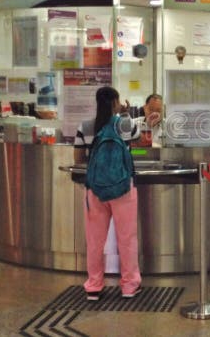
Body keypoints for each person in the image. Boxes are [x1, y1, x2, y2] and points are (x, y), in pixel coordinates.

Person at [74, 86, 142, 301]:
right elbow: (137, 145)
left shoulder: (84, 127)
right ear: (115, 102)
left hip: (95, 190)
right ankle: (129, 286)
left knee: (95, 240)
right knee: (127, 238)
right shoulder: (125, 124)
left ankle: (94, 286)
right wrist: (124, 113)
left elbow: (78, 158)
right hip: (123, 188)